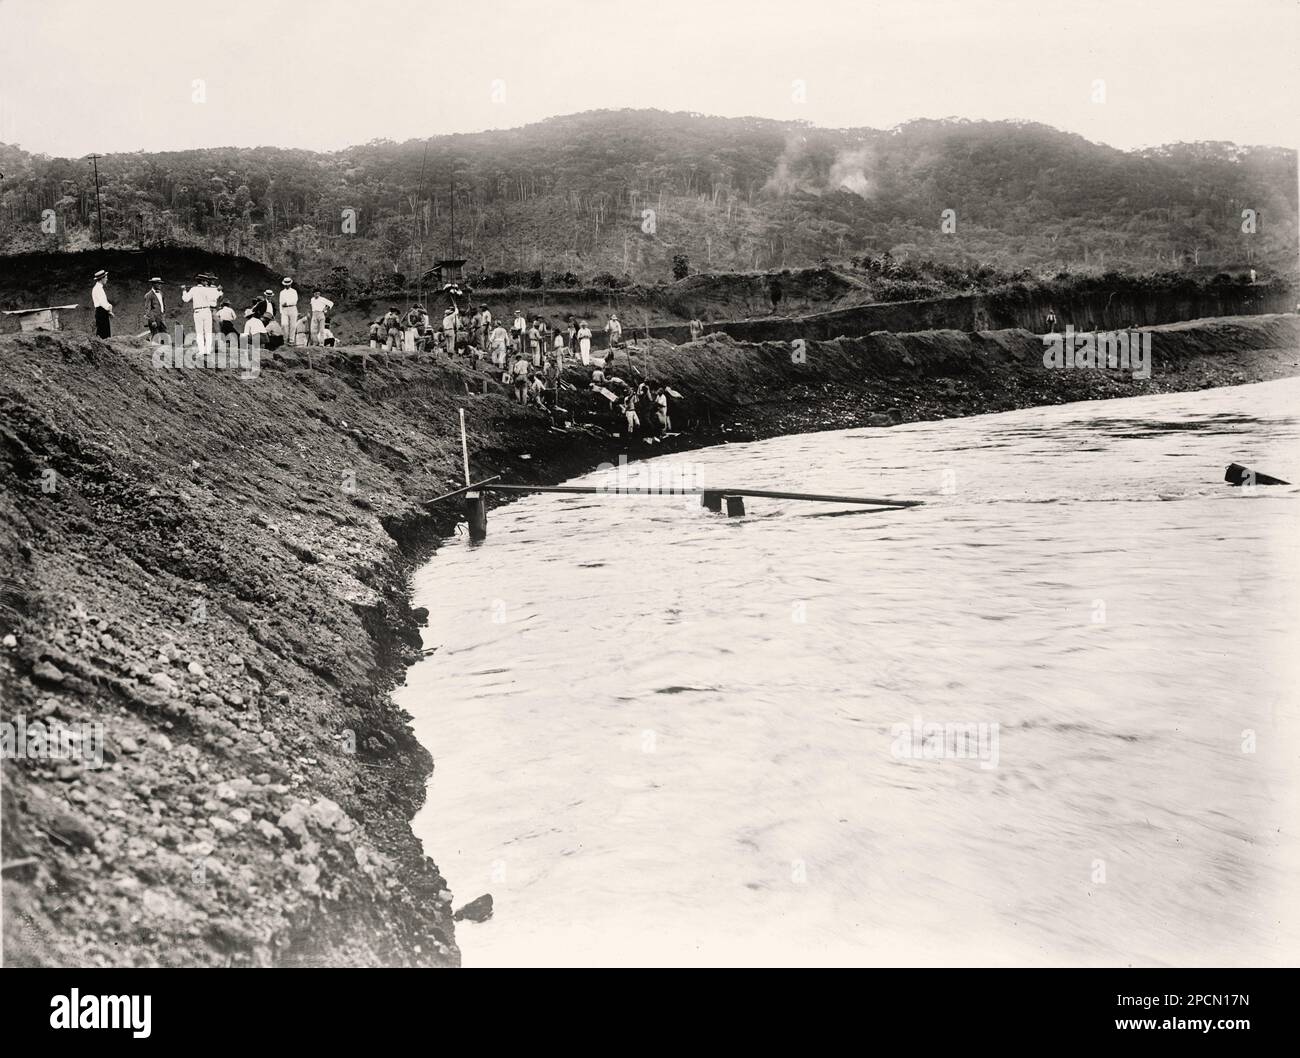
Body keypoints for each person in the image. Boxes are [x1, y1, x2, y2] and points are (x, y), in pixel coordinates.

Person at [182, 272, 219, 353]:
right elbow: (213, 299)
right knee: (208, 332)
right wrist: (217, 291)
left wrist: (184, 290)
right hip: (206, 311)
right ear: (202, 281)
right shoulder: (207, 289)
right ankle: (207, 350)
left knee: (199, 332)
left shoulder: (193, 289)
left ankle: (202, 351)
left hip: (198, 311)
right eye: (205, 281)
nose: (207, 282)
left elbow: (185, 299)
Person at [91, 269, 113, 338]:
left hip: (102, 312)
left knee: (103, 332)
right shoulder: (98, 289)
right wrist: (109, 308)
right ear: (102, 279)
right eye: (106, 278)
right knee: (103, 334)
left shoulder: (98, 288)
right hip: (101, 312)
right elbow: (103, 303)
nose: (107, 279)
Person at [278, 277, 299, 345]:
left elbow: (295, 301)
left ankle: (291, 340)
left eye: (288, 284)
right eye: (285, 284)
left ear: (290, 284)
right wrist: (281, 311)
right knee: (284, 324)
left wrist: (287, 303)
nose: (287, 285)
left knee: (293, 325)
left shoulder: (294, 291)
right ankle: (285, 339)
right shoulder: (282, 292)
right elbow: (280, 302)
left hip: (292, 308)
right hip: (284, 309)